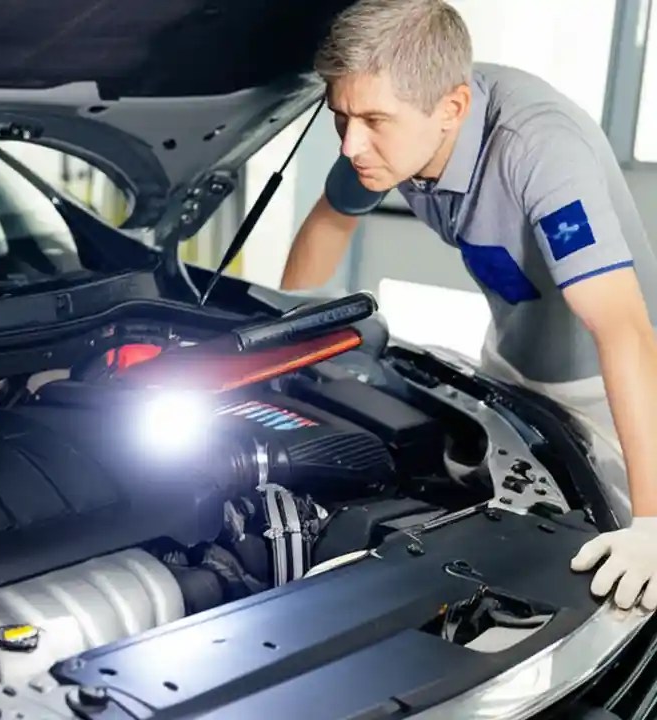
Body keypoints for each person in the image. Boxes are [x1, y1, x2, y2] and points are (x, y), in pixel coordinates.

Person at [281, 0, 657, 610]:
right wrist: (291, 347)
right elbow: (328, 225)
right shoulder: (392, 128)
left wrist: (653, 524)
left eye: (374, 119)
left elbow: (623, 330)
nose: (351, 145)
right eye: (340, 117)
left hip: (616, 393)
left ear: (452, 108)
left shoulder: (538, 149)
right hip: (507, 361)